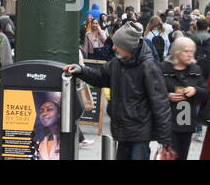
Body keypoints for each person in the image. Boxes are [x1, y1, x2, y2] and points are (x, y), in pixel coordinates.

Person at [66, 22, 175, 160]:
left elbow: (160, 104)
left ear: (128, 46)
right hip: (122, 130)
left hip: (139, 132)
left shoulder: (148, 66)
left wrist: (165, 139)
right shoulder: (116, 63)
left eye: (117, 44)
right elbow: (100, 77)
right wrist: (81, 70)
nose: (114, 47)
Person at [161, 36, 210, 160]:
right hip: (168, 123)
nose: (190, 55)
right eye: (186, 51)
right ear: (177, 52)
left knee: (182, 156)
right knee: (170, 156)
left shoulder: (196, 69)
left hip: (187, 123)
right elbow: (154, 91)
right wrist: (167, 96)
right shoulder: (163, 69)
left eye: (192, 52)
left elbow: (206, 91)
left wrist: (195, 90)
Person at [31, 95, 62, 160]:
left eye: (49, 109)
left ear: (58, 113)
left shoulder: (65, 138)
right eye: (41, 111)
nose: (44, 114)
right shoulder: (42, 141)